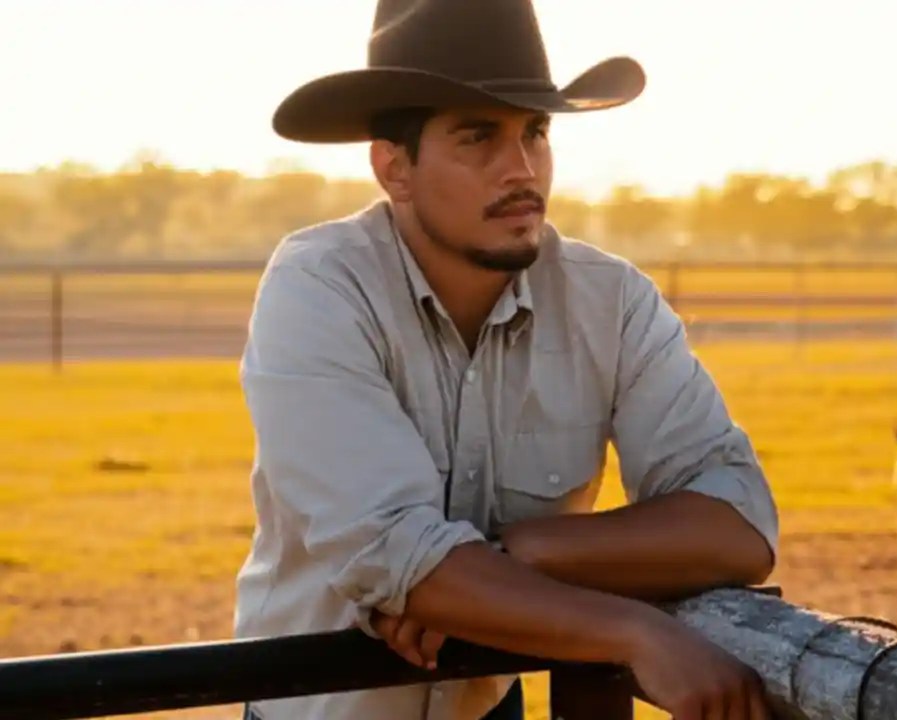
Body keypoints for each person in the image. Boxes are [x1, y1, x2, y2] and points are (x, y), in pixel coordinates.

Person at [234, 1, 780, 718]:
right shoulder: (319, 287)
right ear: (394, 167)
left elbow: (739, 524)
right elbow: (396, 554)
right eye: (476, 137)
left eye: (536, 132)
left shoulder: (609, 301)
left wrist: (527, 551)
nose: (522, 169)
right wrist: (634, 632)